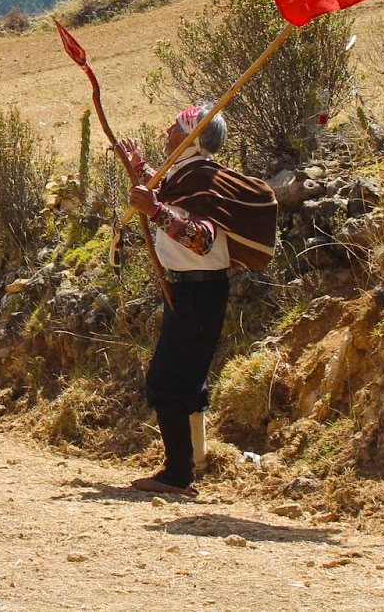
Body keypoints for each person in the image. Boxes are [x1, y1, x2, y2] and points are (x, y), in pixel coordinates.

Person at [118, 106, 278, 497]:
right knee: (184, 379)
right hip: (191, 289)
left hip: (200, 291)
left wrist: (153, 210)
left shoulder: (203, 179)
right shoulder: (186, 175)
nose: (168, 128)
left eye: (176, 125)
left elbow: (200, 238)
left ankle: (177, 474)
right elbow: (165, 194)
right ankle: (195, 462)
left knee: (168, 380)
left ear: (190, 137)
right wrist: (139, 165)